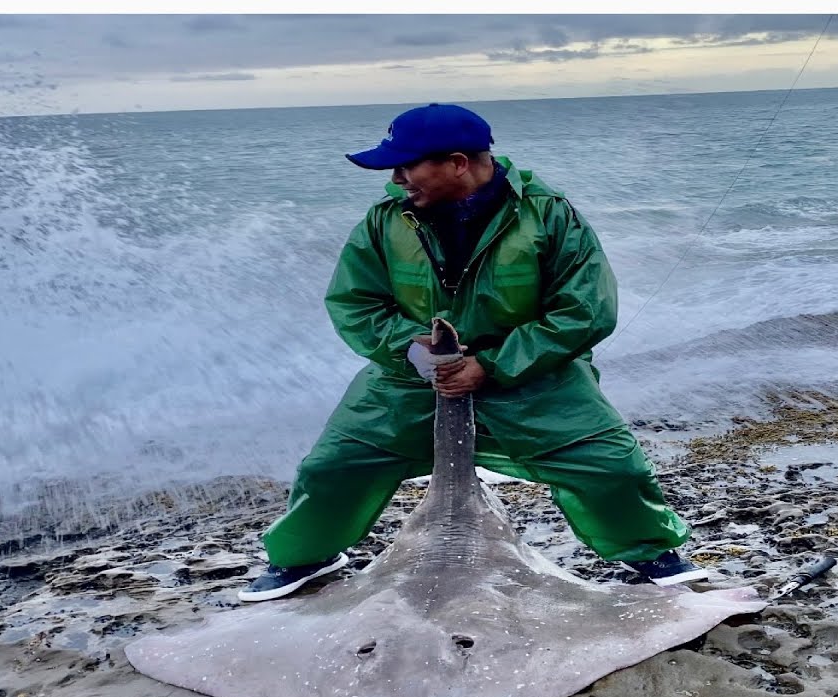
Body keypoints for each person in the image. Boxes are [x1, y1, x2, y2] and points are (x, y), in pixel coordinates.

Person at [239, 103, 705, 602]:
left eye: (406, 166)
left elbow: (586, 310)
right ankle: (307, 554)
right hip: (413, 377)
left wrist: (491, 365)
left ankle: (650, 550)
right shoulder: (383, 220)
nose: (397, 179)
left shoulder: (550, 215)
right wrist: (410, 350)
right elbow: (355, 303)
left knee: (611, 466)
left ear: (458, 162)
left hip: (533, 375)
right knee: (332, 467)